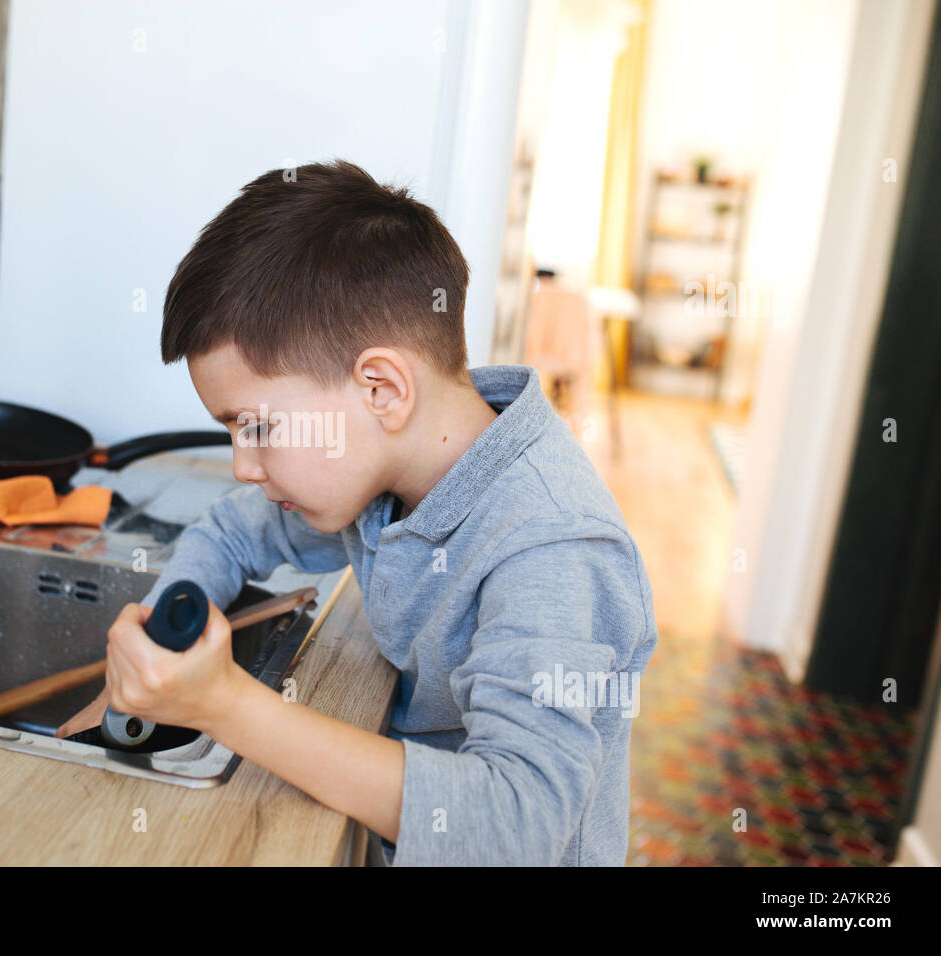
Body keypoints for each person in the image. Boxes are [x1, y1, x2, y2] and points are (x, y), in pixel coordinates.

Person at [56, 159, 657, 866]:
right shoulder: (381, 471)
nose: (244, 465)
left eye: (255, 426)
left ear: (381, 388)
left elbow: (514, 826)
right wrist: (140, 668)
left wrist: (223, 705)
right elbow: (227, 531)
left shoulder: (551, 544)